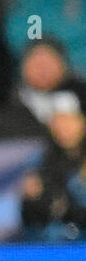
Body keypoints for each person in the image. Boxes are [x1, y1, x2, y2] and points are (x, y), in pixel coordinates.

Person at [19, 91, 86, 240]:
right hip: (61, 246)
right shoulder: (45, 161)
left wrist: (65, 208)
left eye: (69, 119)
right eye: (57, 121)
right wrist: (33, 199)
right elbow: (30, 219)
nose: (63, 127)